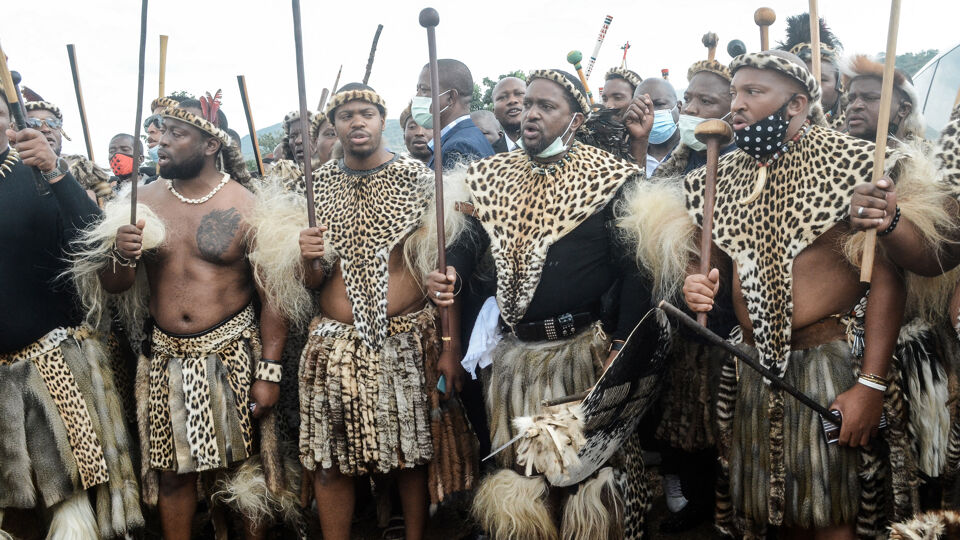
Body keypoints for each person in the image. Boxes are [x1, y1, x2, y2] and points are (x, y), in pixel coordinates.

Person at [627, 49, 936, 538]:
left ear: (796, 104)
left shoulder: (852, 164)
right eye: (735, 92)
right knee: (769, 517)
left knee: (834, 518)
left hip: (830, 368)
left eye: (753, 92)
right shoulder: (719, 176)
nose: (737, 104)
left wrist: (871, 385)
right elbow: (709, 259)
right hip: (751, 368)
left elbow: (890, 278)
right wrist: (695, 282)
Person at [426, 68, 656, 539]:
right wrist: (452, 273)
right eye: (529, 103)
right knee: (524, 478)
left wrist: (620, 346)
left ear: (575, 120)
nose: (531, 113)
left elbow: (637, 270)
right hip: (515, 361)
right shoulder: (491, 176)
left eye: (546, 106)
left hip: (579, 356)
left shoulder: (610, 178)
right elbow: (467, 243)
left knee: (583, 483)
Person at [253, 83, 476, 540]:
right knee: (330, 458)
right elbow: (309, 283)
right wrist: (307, 257)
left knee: (411, 452)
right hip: (334, 344)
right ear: (334, 127)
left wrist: (449, 348)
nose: (357, 122)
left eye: (366, 114)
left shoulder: (419, 180)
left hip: (406, 338)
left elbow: (441, 275)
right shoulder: (313, 188)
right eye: (346, 115)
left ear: (382, 122)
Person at [77, 95, 293, 539]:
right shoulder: (139, 201)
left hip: (233, 355)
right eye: (161, 130)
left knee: (245, 477)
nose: (162, 141)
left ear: (211, 145)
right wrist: (120, 253)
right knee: (173, 472)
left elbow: (275, 298)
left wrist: (269, 372)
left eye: (177, 133)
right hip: (165, 358)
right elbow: (115, 285)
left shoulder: (248, 205)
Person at [0, 84, 143, 538]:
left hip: (51, 362)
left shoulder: (39, 176)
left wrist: (56, 171)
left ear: (10, 124)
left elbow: (94, 240)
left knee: (71, 495)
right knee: (11, 503)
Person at [649, 32, 738, 534]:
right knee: (686, 413)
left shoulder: (740, 163)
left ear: (732, 109)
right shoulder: (676, 163)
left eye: (707, 101)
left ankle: (726, 505)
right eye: (688, 99)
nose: (691, 109)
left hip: (727, 311)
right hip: (678, 309)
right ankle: (698, 501)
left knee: (722, 417)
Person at [413, 58, 494, 169]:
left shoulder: (458, 148)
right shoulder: (468, 136)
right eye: (417, 90)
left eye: (424, 90)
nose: (417, 97)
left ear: (451, 97)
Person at [778, 13, 846, 131]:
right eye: (803, 79)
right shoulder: (779, 134)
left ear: (840, 84)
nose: (812, 87)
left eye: (822, 79)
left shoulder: (862, 132)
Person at [635, 77, 680, 176]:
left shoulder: (697, 153)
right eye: (644, 107)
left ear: (679, 107)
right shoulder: (629, 157)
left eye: (659, 104)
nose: (652, 112)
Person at [491, 76, 525, 152]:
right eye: (502, 97)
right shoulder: (487, 154)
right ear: (494, 112)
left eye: (519, 94)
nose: (512, 100)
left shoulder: (551, 146)